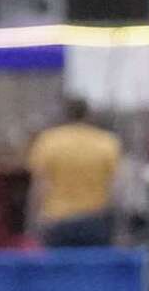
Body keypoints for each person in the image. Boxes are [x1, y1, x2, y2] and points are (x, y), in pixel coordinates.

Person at [26, 98, 122, 247]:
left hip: (57, 221)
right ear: (89, 114)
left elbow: (40, 186)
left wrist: (32, 221)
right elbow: (115, 187)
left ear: (64, 115)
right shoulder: (107, 142)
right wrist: (118, 226)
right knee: (95, 268)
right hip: (95, 220)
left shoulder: (47, 141)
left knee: (60, 269)